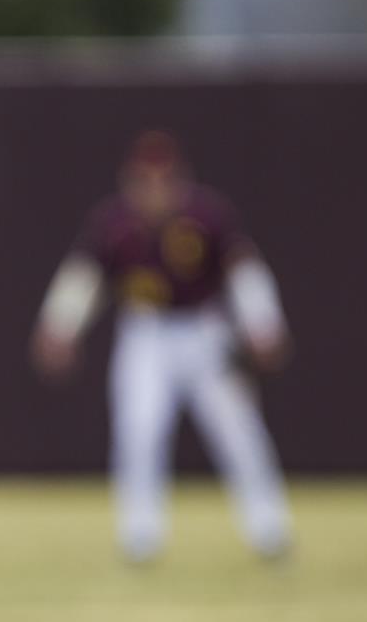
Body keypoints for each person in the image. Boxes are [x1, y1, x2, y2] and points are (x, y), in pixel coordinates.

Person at [31, 131, 291, 563]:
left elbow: (243, 269)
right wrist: (58, 328)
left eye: (162, 180)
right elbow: (83, 277)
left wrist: (263, 324)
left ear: (178, 180)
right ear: (129, 181)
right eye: (144, 180)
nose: (153, 190)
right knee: (139, 430)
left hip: (205, 330)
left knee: (238, 431)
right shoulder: (113, 224)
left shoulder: (207, 216)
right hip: (146, 333)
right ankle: (140, 535)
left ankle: (269, 530)